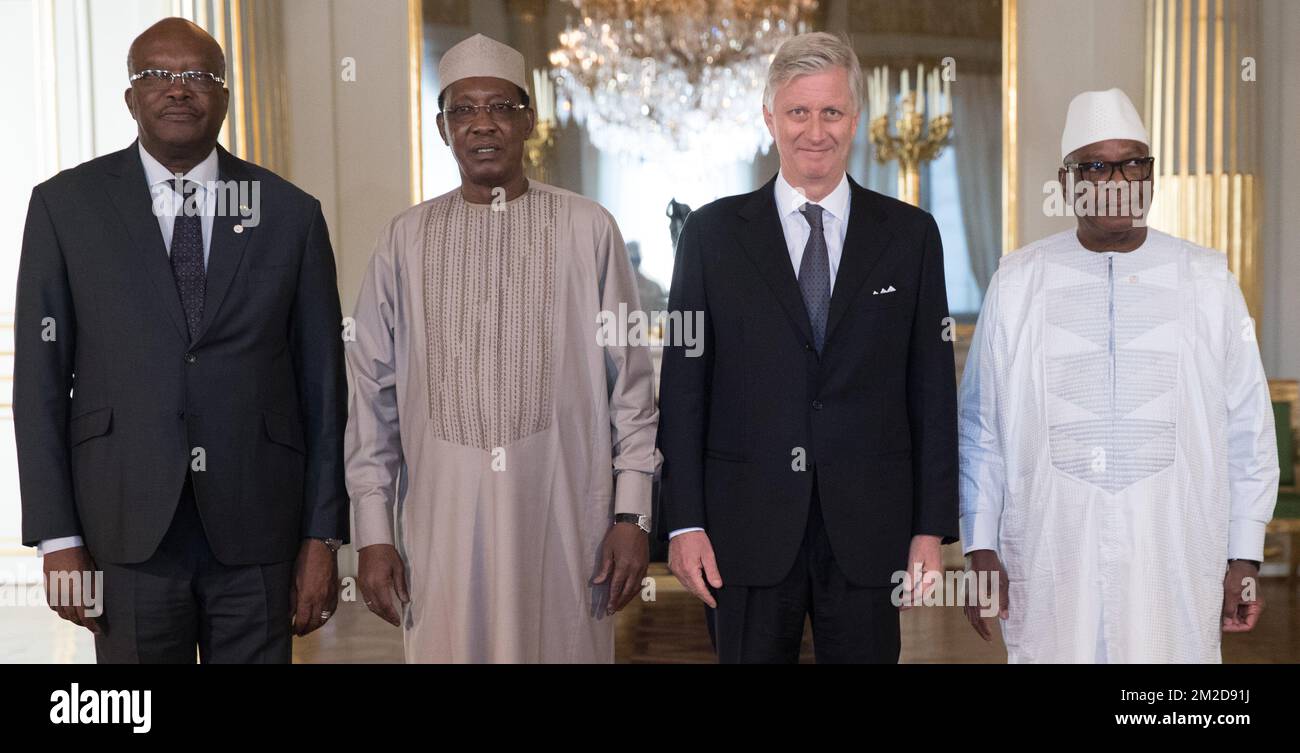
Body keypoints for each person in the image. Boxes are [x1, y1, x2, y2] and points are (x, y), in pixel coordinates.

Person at [15, 18, 348, 663]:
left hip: (259, 529)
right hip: (124, 528)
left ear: (224, 97)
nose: (178, 90)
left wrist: (322, 537)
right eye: (156, 76)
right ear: (130, 98)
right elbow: (40, 383)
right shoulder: (65, 207)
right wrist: (56, 537)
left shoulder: (289, 214)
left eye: (198, 76)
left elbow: (323, 389)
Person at [345, 34, 658, 663]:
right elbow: (370, 399)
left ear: (528, 121)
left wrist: (632, 518)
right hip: (441, 535)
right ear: (442, 128)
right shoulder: (404, 240)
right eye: (463, 109)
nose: (482, 123)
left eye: (500, 107)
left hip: (569, 527)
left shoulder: (588, 228)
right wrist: (373, 535)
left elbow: (632, 389)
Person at [657, 32, 959, 663]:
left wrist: (930, 529)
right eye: (798, 112)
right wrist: (684, 523)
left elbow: (932, 392)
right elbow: (683, 393)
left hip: (871, 532)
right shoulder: (711, 235)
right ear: (770, 118)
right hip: (743, 530)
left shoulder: (910, 235)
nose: (814, 131)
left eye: (831, 112)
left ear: (855, 119)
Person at [959, 88, 1278, 662]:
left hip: (1175, 555)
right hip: (1052, 554)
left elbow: (1247, 428)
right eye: (1096, 166)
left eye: (1134, 162)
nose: (1117, 180)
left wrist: (1245, 555)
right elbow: (982, 429)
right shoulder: (1017, 282)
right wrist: (980, 546)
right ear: (1065, 181)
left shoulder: (1207, 280)